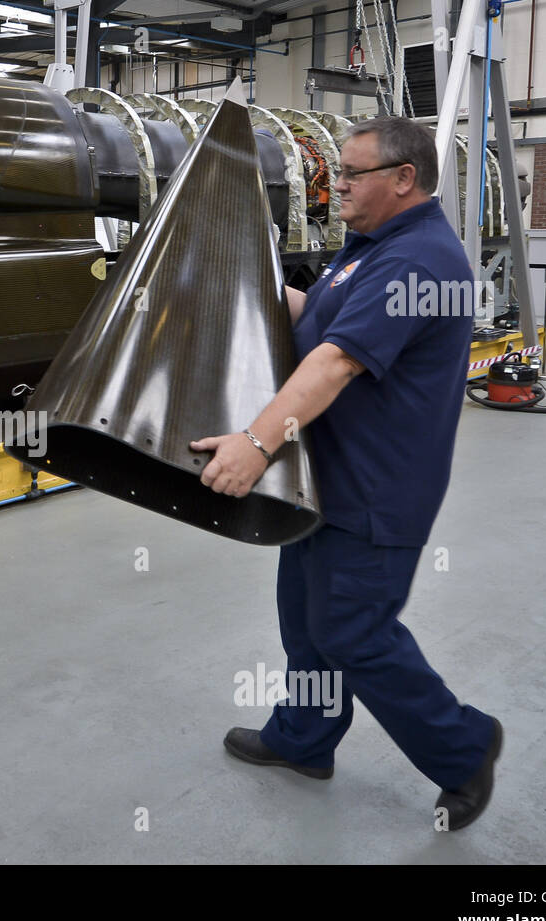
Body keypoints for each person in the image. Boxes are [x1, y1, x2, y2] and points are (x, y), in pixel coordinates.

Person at [190, 116, 501, 831]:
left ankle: (465, 747)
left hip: (376, 487)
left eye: (352, 175)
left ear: (403, 179)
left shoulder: (419, 261)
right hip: (326, 473)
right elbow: (319, 322)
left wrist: (256, 443)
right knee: (305, 617)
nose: (336, 188)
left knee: (353, 630)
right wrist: (247, 279)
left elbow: (336, 362)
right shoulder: (370, 248)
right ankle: (304, 738)